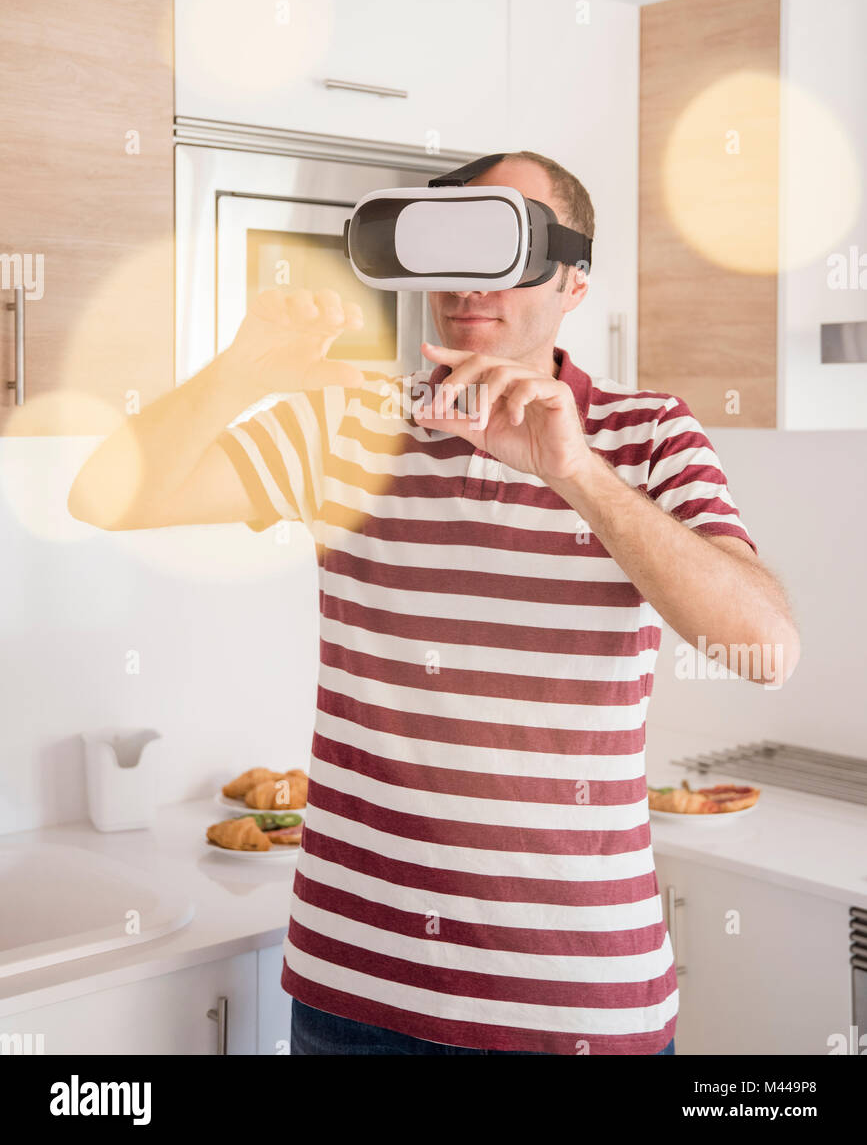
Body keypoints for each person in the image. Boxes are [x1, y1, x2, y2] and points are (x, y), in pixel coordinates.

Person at [68, 150, 800, 1055]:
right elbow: (103, 495)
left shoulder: (644, 435)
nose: (469, 284)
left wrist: (574, 474)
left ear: (573, 278)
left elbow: (763, 643)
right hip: (352, 993)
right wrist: (242, 369)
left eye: (506, 247)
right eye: (448, 250)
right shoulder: (352, 423)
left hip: (573, 1003)